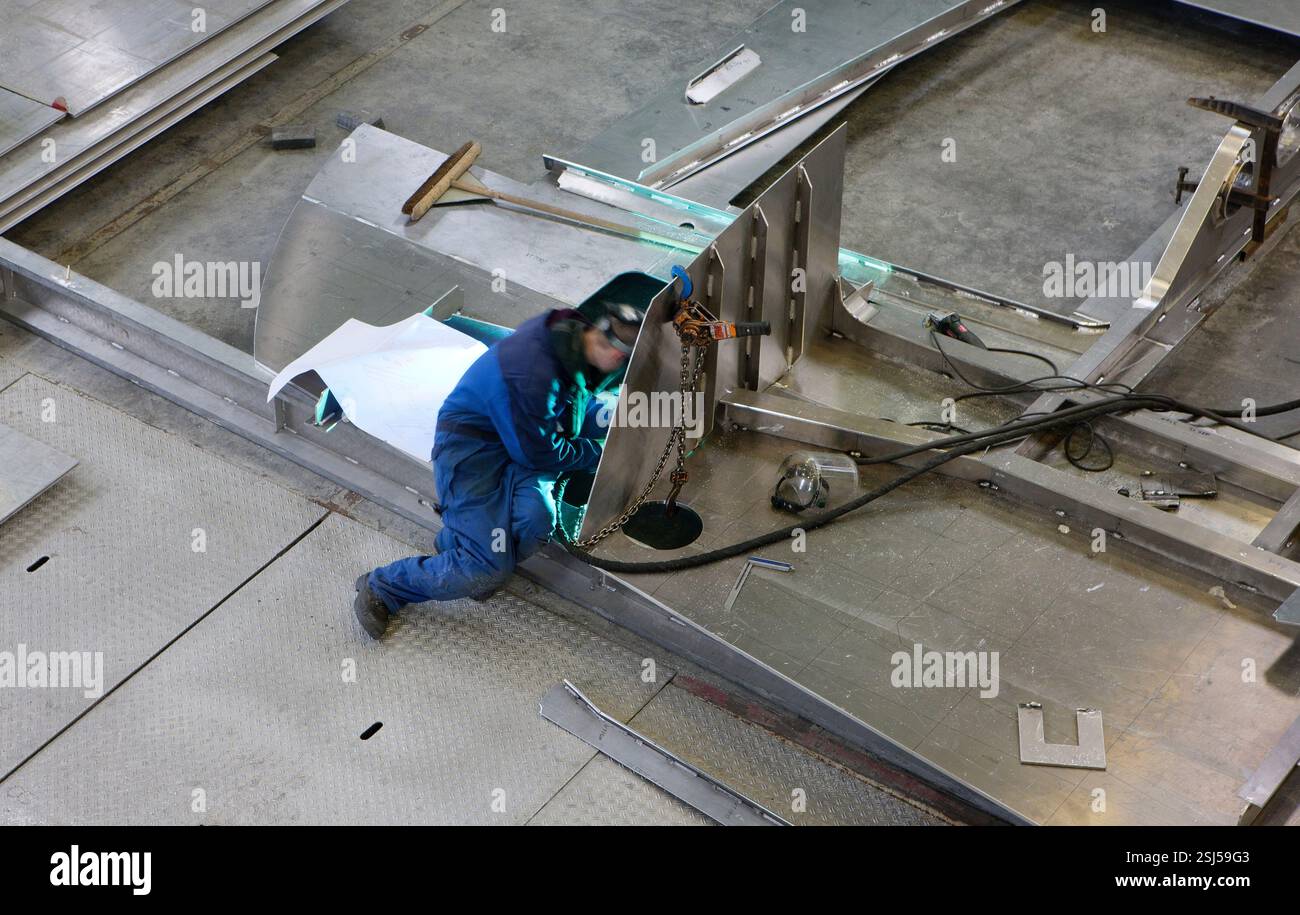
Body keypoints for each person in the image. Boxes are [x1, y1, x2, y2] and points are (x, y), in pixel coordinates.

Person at [352, 300, 644, 638]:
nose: (619, 367)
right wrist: (599, 455)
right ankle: (385, 587)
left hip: (518, 444)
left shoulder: (573, 344)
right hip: (472, 454)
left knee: (535, 521)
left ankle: (459, 544)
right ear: (608, 345)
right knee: (487, 569)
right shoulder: (534, 372)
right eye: (622, 359)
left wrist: (631, 416)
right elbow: (542, 453)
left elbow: (573, 410)